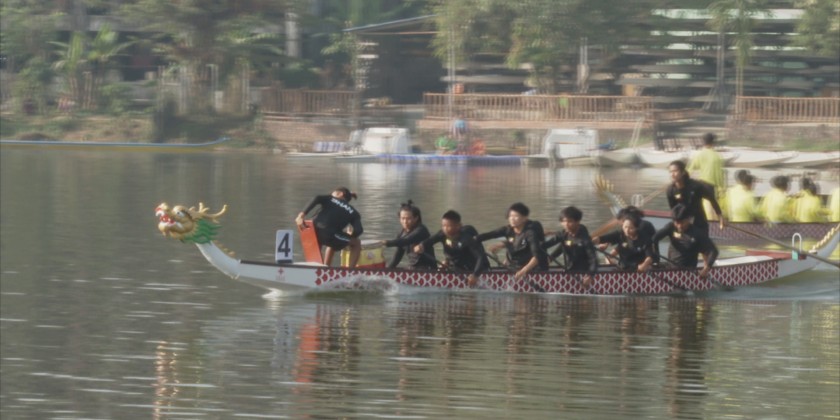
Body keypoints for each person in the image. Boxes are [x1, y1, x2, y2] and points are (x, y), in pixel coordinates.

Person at [475, 202, 548, 281]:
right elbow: (489, 235)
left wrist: (523, 271)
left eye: (516, 216)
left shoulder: (530, 233)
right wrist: (474, 238)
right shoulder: (507, 230)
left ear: (524, 218)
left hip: (533, 270)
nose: (512, 219)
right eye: (510, 216)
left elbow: (537, 257)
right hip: (514, 267)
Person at [414, 210, 489, 287]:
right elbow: (430, 241)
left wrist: (475, 275)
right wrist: (421, 245)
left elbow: (480, 257)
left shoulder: (466, 239)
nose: (445, 229)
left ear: (458, 226)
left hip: (471, 269)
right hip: (455, 267)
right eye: (443, 226)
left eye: (448, 226)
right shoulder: (442, 234)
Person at [295, 187, 363, 268]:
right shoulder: (354, 212)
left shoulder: (330, 199)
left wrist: (301, 216)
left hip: (310, 230)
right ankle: (350, 271)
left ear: (340, 194)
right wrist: (351, 236)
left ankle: (325, 267)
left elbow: (317, 197)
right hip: (329, 235)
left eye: (332, 193)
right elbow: (359, 230)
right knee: (356, 243)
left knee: (335, 237)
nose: (330, 194)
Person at [652, 204, 719, 279]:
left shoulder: (697, 233)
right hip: (670, 269)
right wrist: (656, 260)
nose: (679, 226)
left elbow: (713, 251)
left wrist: (706, 269)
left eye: (682, 222)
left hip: (687, 273)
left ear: (688, 219)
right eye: (677, 222)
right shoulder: (671, 227)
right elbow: (654, 239)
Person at [542, 206, 598, 289]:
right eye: (564, 221)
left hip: (583, 273)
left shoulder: (584, 239)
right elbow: (549, 245)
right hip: (570, 269)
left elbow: (593, 259)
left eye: (570, 221)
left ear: (577, 221)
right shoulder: (564, 234)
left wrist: (590, 275)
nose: (566, 224)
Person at [667, 160, 724, 234]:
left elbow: (712, 199)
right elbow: (673, 209)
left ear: (683, 172)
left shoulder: (695, 186)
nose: (672, 174)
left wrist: (720, 217)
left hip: (699, 223)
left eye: (675, 171)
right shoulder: (671, 190)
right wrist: (677, 223)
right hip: (682, 225)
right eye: (670, 172)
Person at [381, 200, 437, 269]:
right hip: (412, 268)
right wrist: (388, 270)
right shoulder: (401, 233)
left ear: (416, 218)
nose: (405, 222)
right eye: (402, 218)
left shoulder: (421, 230)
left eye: (408, 219)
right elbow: (398, 256)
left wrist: (386, 243)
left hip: (428, 269)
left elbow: (407, 240)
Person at [686, 133, 726, 221]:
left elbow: (689, 169)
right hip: (710, 187)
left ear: (703, 142)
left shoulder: (699, 155)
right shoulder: (717, 157)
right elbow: (719, 175)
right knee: (711, 209)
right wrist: (721, 188)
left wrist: (681, 179)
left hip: (700, 185)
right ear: (713, 142)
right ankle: (712, 223)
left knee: (700, 207)